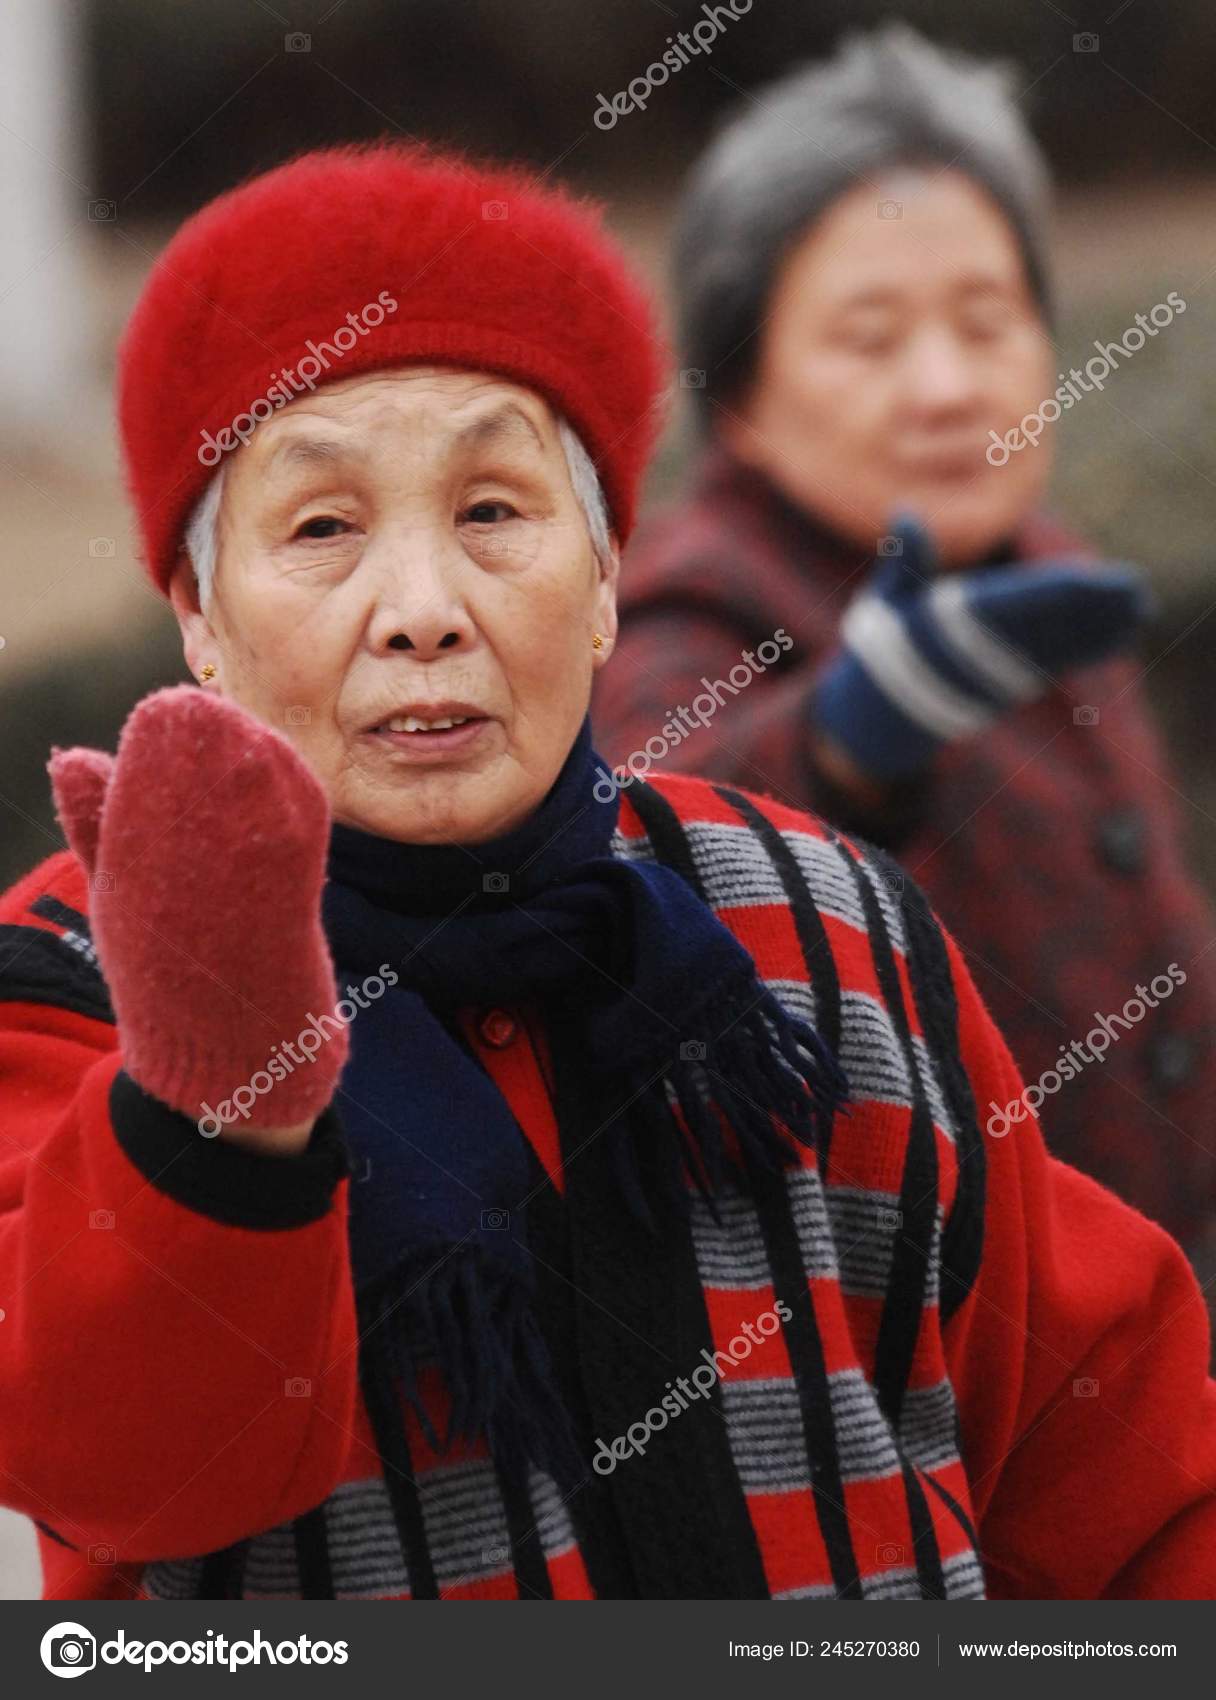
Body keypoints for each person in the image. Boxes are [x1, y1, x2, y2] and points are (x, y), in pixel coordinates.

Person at [0, 142, 1214, 1606]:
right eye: (321, 528)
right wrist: (214, 1096)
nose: (424, 611)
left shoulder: (828, 923)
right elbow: (124, 1466)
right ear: (198, 613)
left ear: (608, 576)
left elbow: (1129, 1483)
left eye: (496, 511)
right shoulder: (76, 978)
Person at [592, 25, 1216, 1296]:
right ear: (745, 397)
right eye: (869, 339)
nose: (944, 387)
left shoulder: (1040, 573)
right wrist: (846, 739)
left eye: (986, 322)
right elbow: (638, 836)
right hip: (942, 1377)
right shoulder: (691, 607)